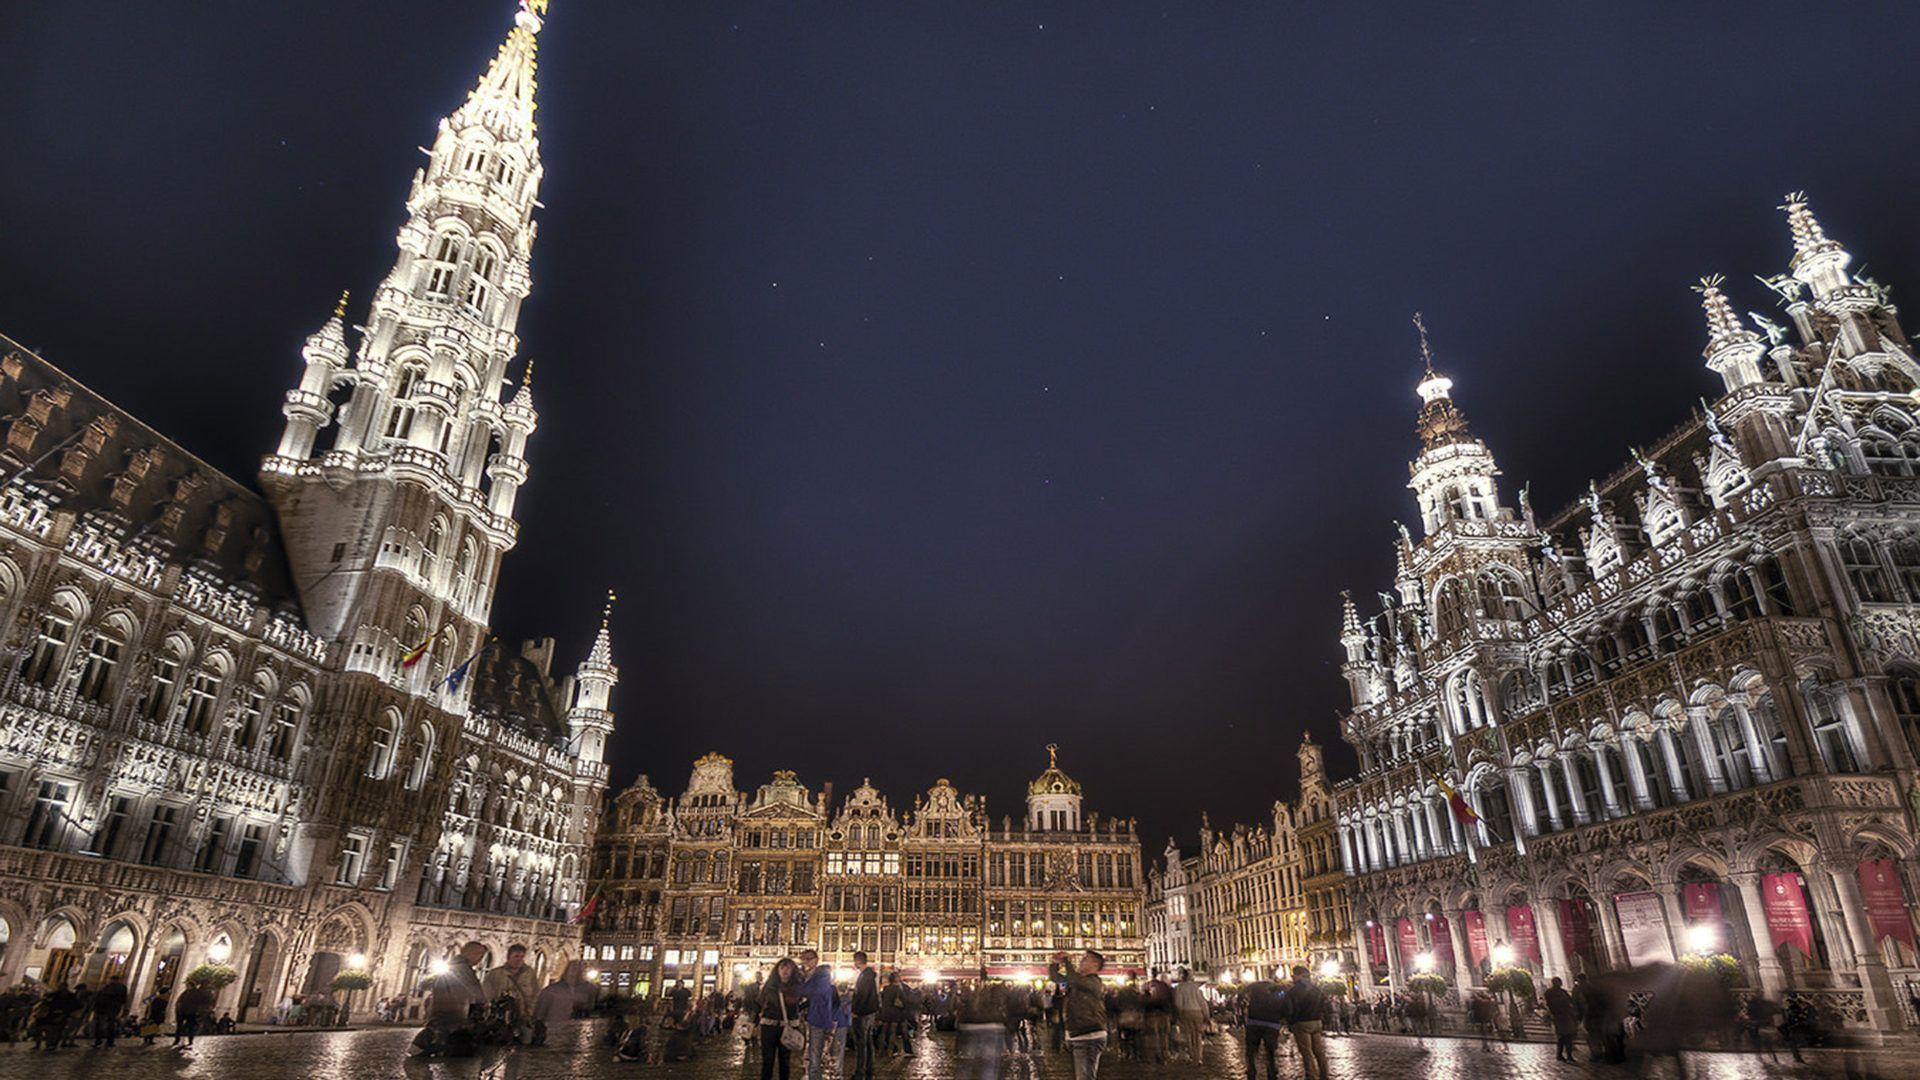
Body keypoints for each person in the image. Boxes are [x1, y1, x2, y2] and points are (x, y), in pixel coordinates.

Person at [416, 941, 486, 1056]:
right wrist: (482, 1003)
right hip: (454, 1013)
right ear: (471, 953)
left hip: (443, 1012)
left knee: (438, 1038)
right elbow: (475, 992)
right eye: (480, 955)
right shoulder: (463, 969)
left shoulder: (452, 966)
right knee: (455, 1050)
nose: (480, 959)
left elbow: (424, 984)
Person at [1049, 950, 1109, 1080]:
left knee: (1085, 1076)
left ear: (1094, 964)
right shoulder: (1080, 981)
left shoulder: (1093, 982)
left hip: (1089, 1034)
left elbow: (1072, 977)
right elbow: (1057, 978)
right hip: (1079, 1034)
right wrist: (1054, 963)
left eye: (1085, 959)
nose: (1081, 961)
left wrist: (1065, 960)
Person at [480, 943, 539, 1041]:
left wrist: (530, 1013)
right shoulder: (495, 974)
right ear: (508, 957)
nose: (519, 959)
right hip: (500, 1018)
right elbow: (486, 994)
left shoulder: (530, 974)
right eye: (516, 956)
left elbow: (535, 994)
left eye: (522, 957)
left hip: (522, 1017)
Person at [759, 958, 804, 1080]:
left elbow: (803, 1002)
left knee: (785, 1061)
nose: (785, 970)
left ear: (793, 970)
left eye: (788, 968)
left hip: (787, 1026)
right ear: (777, 970)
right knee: (767, 1060)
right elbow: (760, 1001)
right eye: (782, 967)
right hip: (769, 1026)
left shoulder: (798, 986)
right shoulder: (770, 985)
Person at [955, 976, 1007, 1080]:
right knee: (988, 1064)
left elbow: (961, 1013)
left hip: (971, 1027)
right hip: (992, 1027)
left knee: (966, 1063)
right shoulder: (996, 998)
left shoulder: (971, 998)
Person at [1239, 973, 1289, 1080]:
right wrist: (1282, 1017)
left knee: (1251, 1050)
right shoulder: (1279, 988)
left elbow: (1241, 995)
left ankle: (1251, 1069)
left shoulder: (1253, 986)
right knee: (1270, 1051)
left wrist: (1243, 1010)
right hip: (1272, 1024)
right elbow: (1287, 1004)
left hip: (1254, 1022)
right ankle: (1271, 1071)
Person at [849, 951, 878, 1079]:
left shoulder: (865, 976)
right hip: (870, 1012)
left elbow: (863, 995)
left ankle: (860, 1071)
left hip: (863, 1013)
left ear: (857, 961)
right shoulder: (869, 975)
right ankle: (869, 1068)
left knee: (861, 1043)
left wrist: (856, 1011)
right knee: (868, 1041)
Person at [1172, 969, 1207, 1064]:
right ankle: (1199, 1057)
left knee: (1189, 1035)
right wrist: (1206, 1015)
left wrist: (1179, 1015)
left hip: (1186, 1012)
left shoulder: (1179, 988)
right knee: (1198, 1035)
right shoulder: (1196, 987)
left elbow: (1178, 1003)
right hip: (1197, 1012)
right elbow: (1202, 1003)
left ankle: (1192, 1056)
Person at [1542, 976, 1578, 1061]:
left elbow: (1570, 1001)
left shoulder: (1562, 992)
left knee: (1568, 1036)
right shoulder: (1550, 993)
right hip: (1559, 1016)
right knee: (1563, 1036)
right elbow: (1550, 1004)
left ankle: (1568, 1055)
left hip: (1566, 1015)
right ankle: (1561, 1054)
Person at [878, 971, 912, 1057]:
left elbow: (882, 1000)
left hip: (885, 1013)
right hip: (895, 1013)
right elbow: (904, 1001)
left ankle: (881, 1051)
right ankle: (890, 1051)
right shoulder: (898, 989)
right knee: (892, 1033)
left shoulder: (885, 988)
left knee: (884, 1032)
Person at [532, 978, 576, 1044]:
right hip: (560, 1020)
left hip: (549, 1019)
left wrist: (538, 1016)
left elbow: (542, 1004)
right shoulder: (568, 991)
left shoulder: (548, 990)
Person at [89, 975, 129, 1047]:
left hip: (104, 1009)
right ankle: (109, 1041)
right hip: (111, 1009)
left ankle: (99, 1040)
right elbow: (124, 1000)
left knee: (102, 1025)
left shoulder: (106, 987)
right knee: (110, 1025)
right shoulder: (121, 987)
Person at [172, 980, 214, 1047]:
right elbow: (179, 1001)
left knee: (189, 1027)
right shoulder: (186, 992)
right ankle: (179, 1040)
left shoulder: (196, 993)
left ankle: (189, 1040)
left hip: (190, 1012)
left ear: (191, 985)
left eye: (188, 985)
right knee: (181, 1027)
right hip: (184, 1012)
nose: (186, 986)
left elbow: (202, 1002)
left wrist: (199, 1011)